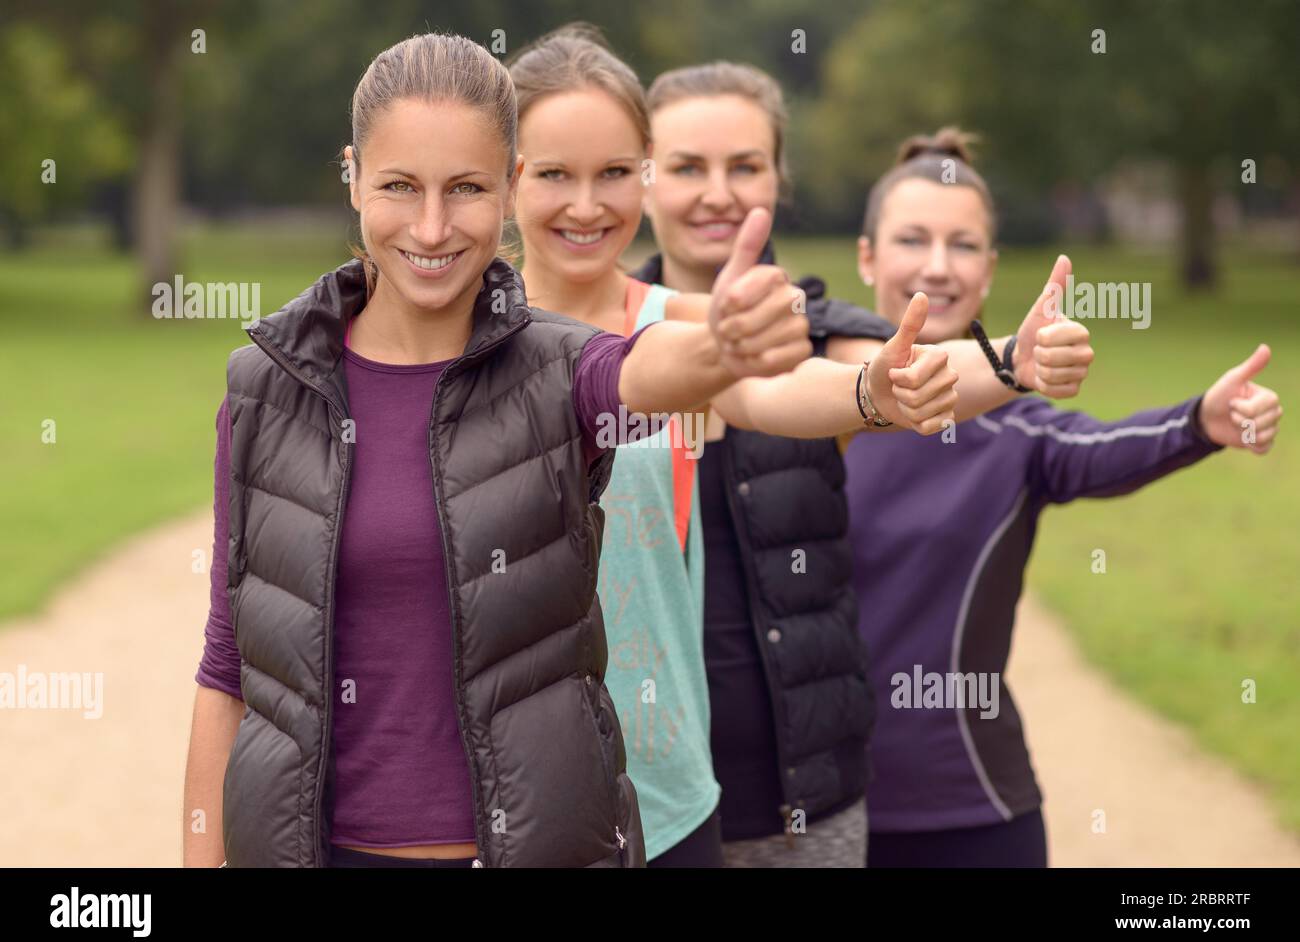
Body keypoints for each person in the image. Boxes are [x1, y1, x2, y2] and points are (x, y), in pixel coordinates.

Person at [181, 31, 818, 869]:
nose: (433, 227)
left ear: (510, 185)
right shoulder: (263, 387)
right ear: (352, 177)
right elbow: (231, 661)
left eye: (467, 188)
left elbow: (643, 368)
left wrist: (719, 345)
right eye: (400, 187)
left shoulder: (559, 365)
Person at [505, 24, 965, 865]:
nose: (585, 204)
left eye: (613, 173)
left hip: (672, 794)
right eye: (554, 175)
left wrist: (873, 391)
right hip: (513, 793)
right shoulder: (466, 341)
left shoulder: (677, 324)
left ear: (642, 173)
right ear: (506, 180)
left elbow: (766, 389)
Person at [636, 62, 1094, 866]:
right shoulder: (586, 340)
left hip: (800, 809)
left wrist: (1015, 358)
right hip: (639, 806)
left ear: (779, 175)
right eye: (686, 166)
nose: (717, 192)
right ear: (642, 178)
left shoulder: (823, 333)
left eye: (745, 165)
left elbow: (903, 371)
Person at [843, 127, 1283, 867]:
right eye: (913, 239)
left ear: (989, 270)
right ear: (866, 256)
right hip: (817, 819)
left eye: (964, 245)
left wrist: (1197, 421)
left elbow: (1100, 448)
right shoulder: (800, 407)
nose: (938, 267)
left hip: (976, 809)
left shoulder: (1016, 428)